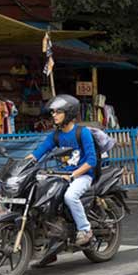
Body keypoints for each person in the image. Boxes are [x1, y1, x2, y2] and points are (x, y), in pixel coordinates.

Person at [27, 94, 97, 265]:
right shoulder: (55, 136)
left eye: (58, 112)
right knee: (41, 202)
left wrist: (74, 175)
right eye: (53, 112)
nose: (54, 115)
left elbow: (91, 161)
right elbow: (38, 153)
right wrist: (22, 164)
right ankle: (50, 247)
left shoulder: (83, 133)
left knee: (70, 197)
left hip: (82, 175)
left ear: (69, 113)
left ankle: (85, 230)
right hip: (61, 176)